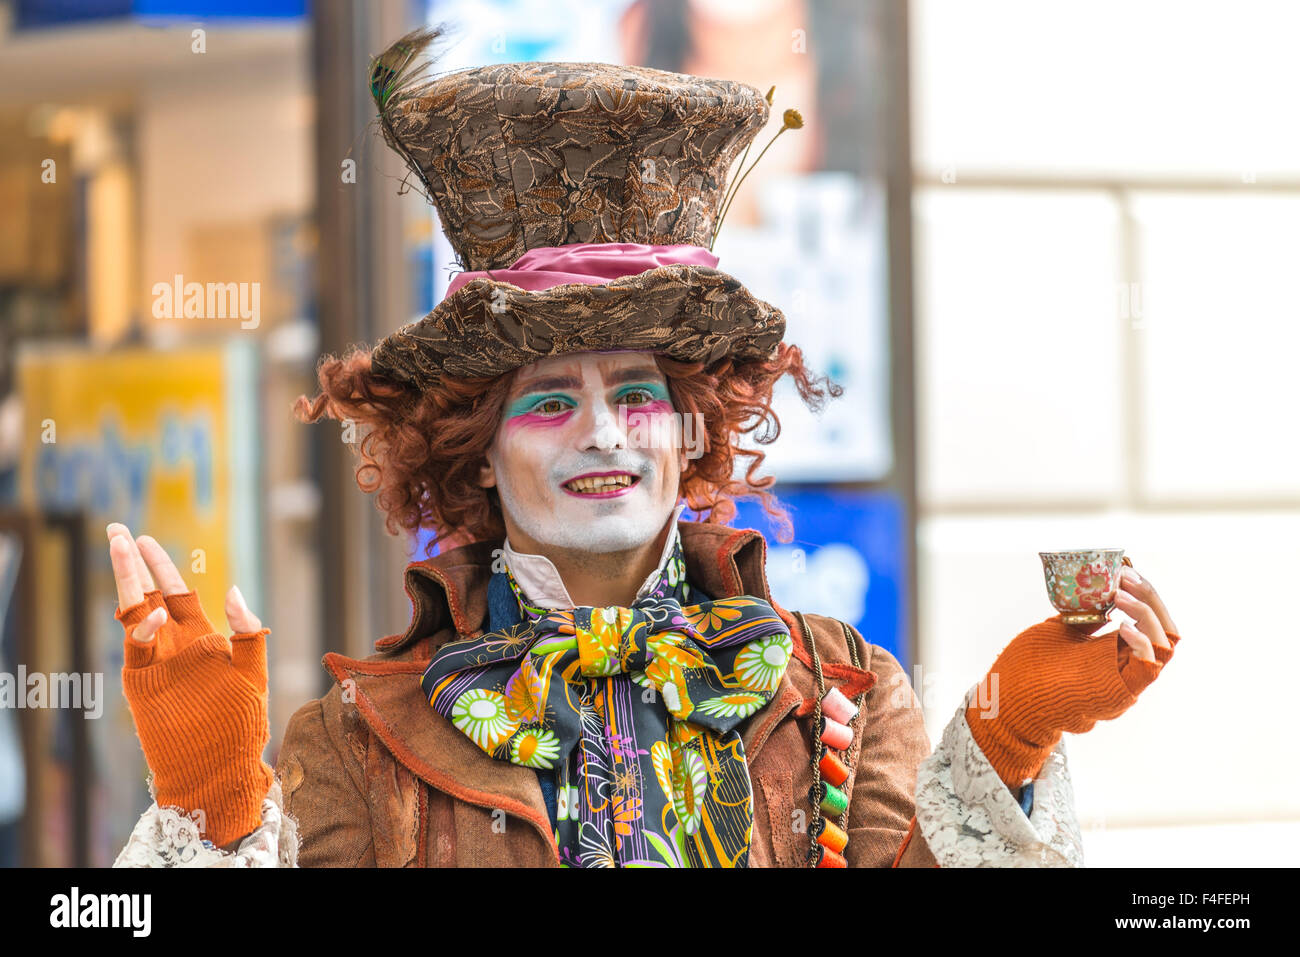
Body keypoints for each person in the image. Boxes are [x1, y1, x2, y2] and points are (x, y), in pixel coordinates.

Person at [109, 30, 1180, 868]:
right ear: (476, 455)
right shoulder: (356, 740)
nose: (605, 432)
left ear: (690, 431)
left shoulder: (843, 691)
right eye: (547, 404)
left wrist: (1012, 738)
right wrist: (210, 809)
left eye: (636, 394)